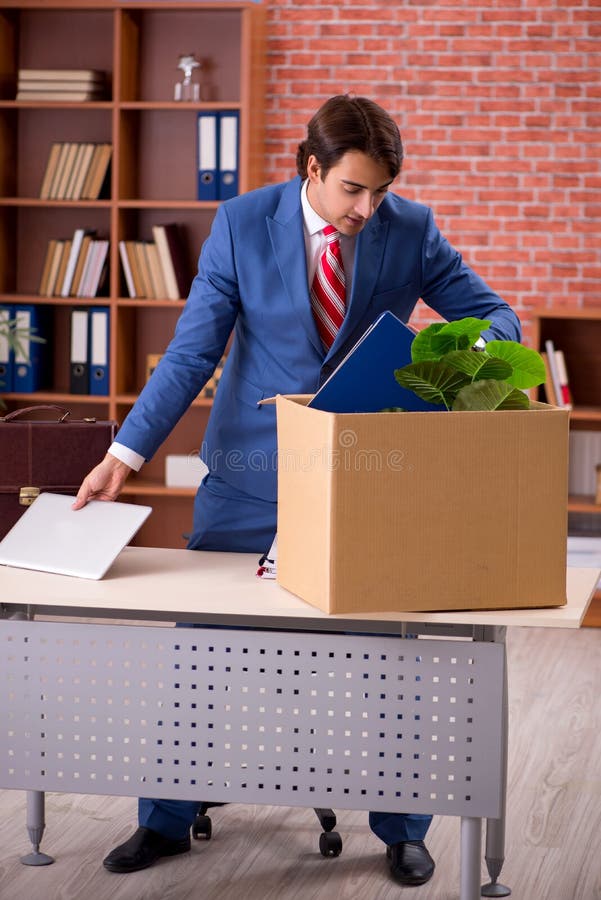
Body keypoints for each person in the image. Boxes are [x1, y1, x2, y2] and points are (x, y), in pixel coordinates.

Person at [74, 94, 521, 887]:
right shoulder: (243, 224)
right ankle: (166, 820)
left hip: (366, 484)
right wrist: (125, 452)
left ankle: (401, 830)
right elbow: (190, 354)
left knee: (395, 666)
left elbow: (497, 316)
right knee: (198, 657)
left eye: (379, 191)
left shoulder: (409, 228)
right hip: (248, 479)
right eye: (353, 190)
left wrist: (448, 352)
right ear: (311, 169)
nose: (367, 208)